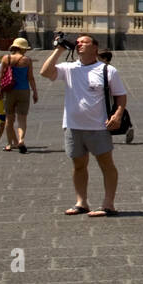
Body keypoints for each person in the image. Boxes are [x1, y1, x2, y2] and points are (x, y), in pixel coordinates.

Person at [40, 33, 126, 217]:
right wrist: (59, 50)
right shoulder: (69, 68)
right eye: (77, 42)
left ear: (95, 47)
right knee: (78, 165)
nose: (79, 44)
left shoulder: (107, 70)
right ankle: (81, 202)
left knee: (106, 164)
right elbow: (45, 72)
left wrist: (118, 115)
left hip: (99, 126)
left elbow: (120, 95)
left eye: (84, 42)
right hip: (73, 126)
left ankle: (108, 204)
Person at [0, 37, 37, 153]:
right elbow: (30, 77)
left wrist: (0, 92)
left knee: (9, 119)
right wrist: (35, 92)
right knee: (22, 119)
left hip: (9, 91)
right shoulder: (27, 60)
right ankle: (21, 139)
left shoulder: (6, 58)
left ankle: (9, 144)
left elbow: (2, 77)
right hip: (24, 91)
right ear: (23, 48)